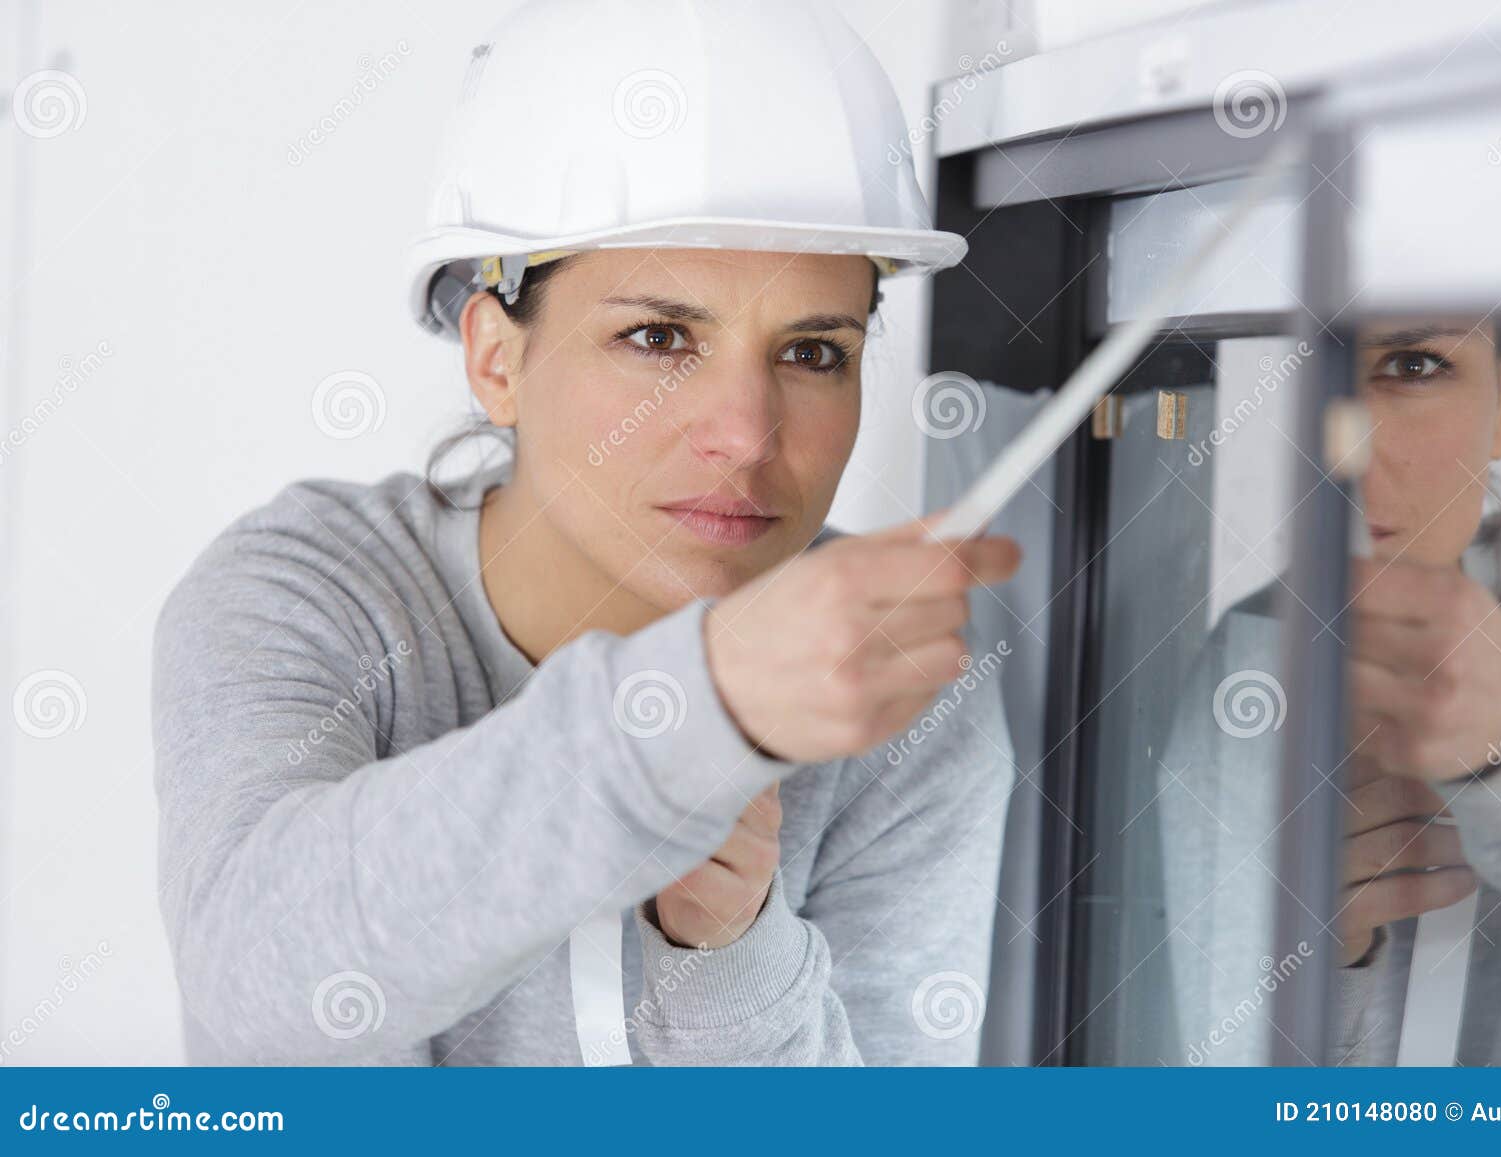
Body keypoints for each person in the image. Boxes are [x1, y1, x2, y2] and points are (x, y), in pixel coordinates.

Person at [150, 0, 1020, 1066]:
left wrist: (732, 950)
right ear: (496, 359)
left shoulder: (893, 686)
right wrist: (684, 717)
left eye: (813, 352)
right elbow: (258, 978)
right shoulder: (314, 589)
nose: (745, 435)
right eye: (658, 336)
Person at [1158, 309, 1501, 1065]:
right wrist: (1327, 954)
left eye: (1414, 366)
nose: (1350, 449)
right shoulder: (1253, 663)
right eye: (1316, 366)